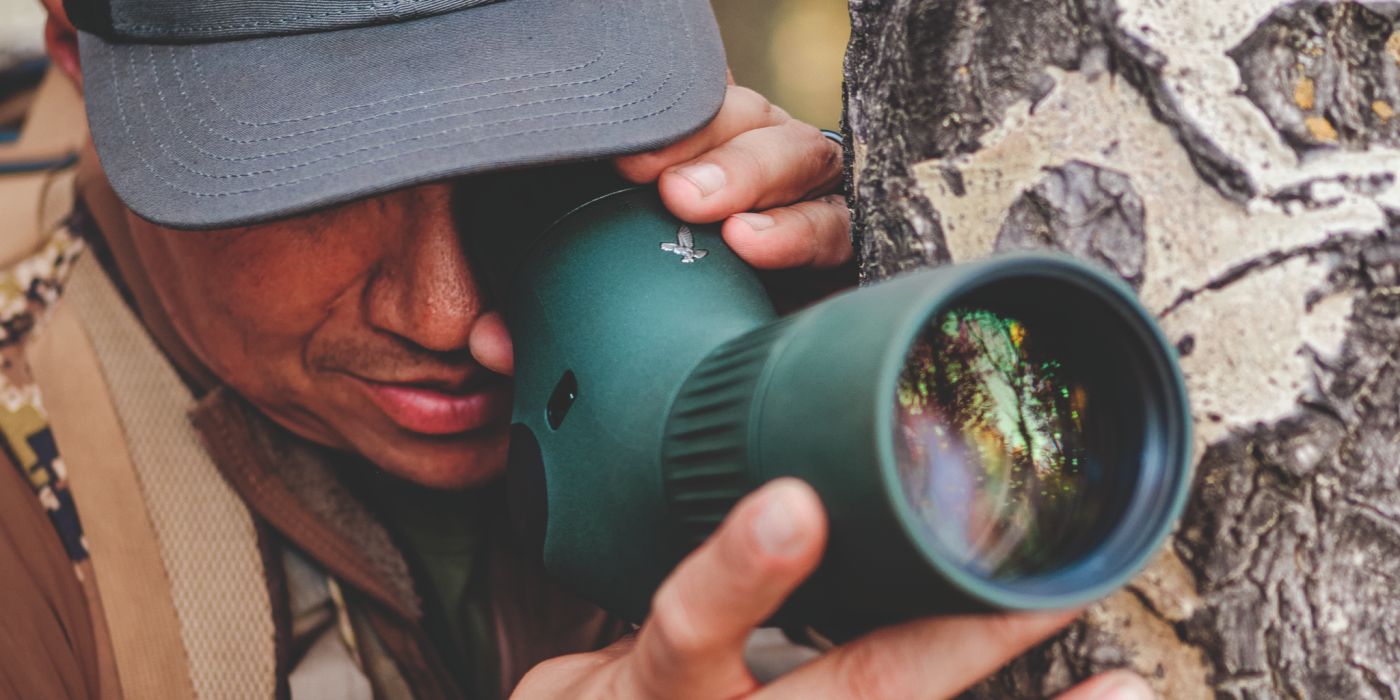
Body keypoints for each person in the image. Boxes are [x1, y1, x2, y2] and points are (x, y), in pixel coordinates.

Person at [0, 0, 1154, 698]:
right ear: (78, 48)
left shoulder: (694, 254)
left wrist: (842, 351)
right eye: (315, 182)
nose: (453, 314)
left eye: (534, 138)